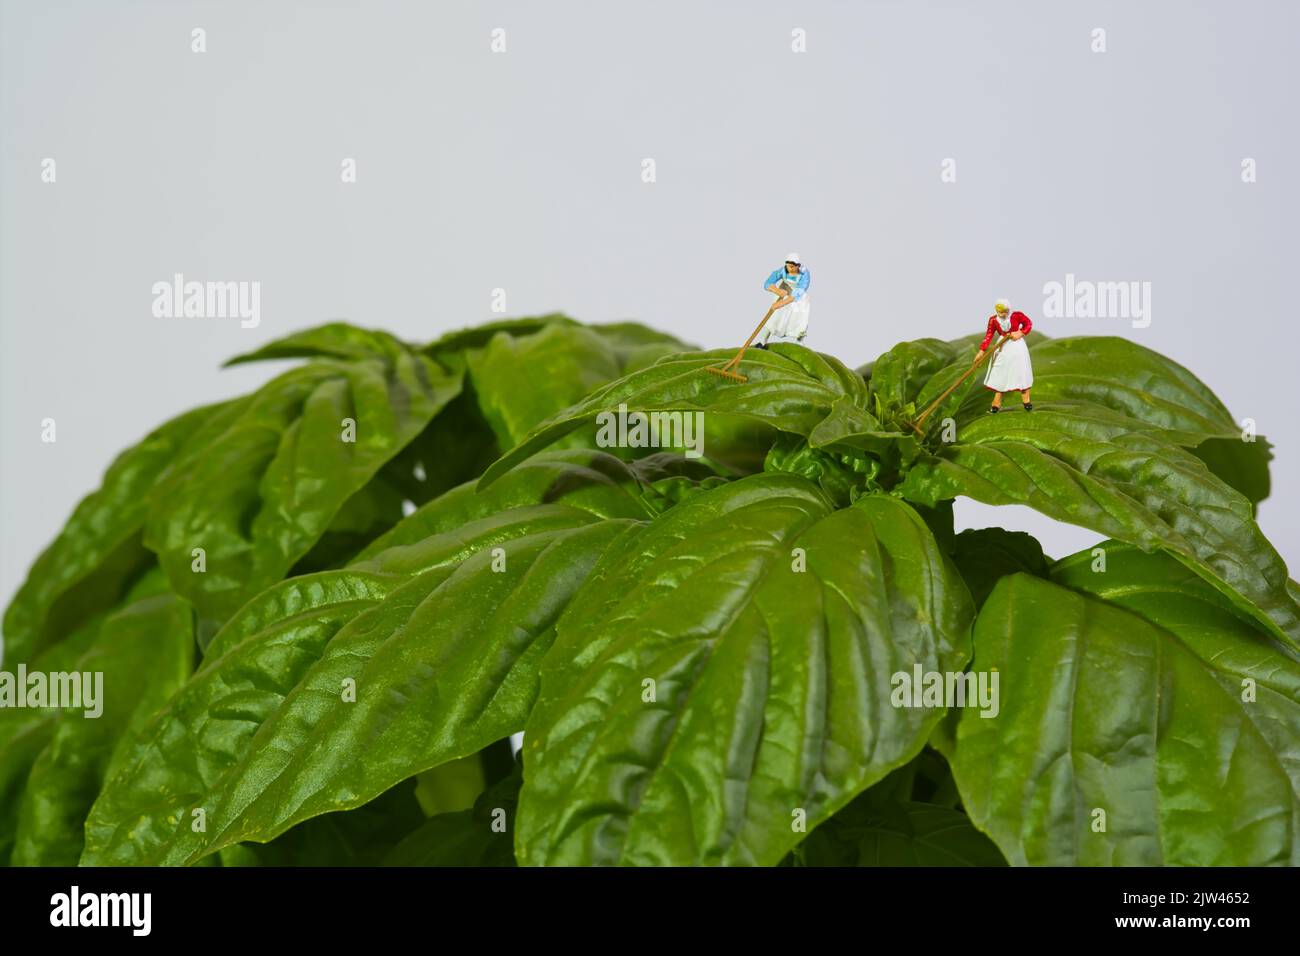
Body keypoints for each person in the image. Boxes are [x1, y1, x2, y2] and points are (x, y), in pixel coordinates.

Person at [976, 299, 1034, 412]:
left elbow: (1028, 324)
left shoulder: (1017, 316)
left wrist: (1021, 333)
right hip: (1003, 346)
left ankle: (1026, 400)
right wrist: (981, 351)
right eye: (1000, 312)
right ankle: (996, 403)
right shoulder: (993, 320)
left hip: (1017, 347)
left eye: (1005, 311)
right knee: (1000, 373)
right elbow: (989, 335)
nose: (1003, 314)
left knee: (1021, 372)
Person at [757, 253, 811, 347]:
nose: (790, 269)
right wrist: (777, 290)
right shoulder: (782, 271)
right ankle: (762, 340)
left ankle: (799, 341)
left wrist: (781, 303)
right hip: (784, 293)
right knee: (774, 317)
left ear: (798, 265)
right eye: (788, 266)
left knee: (799, 319)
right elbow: (767, 283)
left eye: (792, 266)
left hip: (798, 299)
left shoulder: (804, 274)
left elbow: (797, 293)